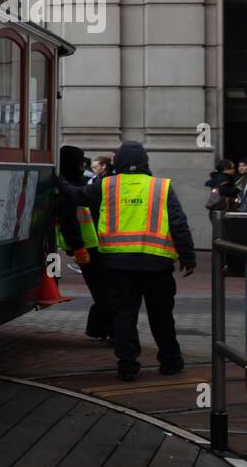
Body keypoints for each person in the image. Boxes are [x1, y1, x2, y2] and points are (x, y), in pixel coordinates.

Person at [54, 140, 196, 382]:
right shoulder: (161, 187)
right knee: (161, 315)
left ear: (118, 162)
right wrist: (187, 256)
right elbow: (179, 224)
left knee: (124, 315)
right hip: (157, 265)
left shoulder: (106, 185)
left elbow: (74, 195)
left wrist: (55, 176)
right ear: (145, 162)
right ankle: (171, 361)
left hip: (118, 266)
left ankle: (128, 365)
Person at [56, 144, 113, 343]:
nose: (83, 165)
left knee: (103, 289)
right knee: (103, 291)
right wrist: (77, 246)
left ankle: (98, 328)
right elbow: (68, 221)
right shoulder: (66, 187)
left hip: (96, 244)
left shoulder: (80, 182)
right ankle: (109, 329)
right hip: (86, 247)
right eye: (79, 161)